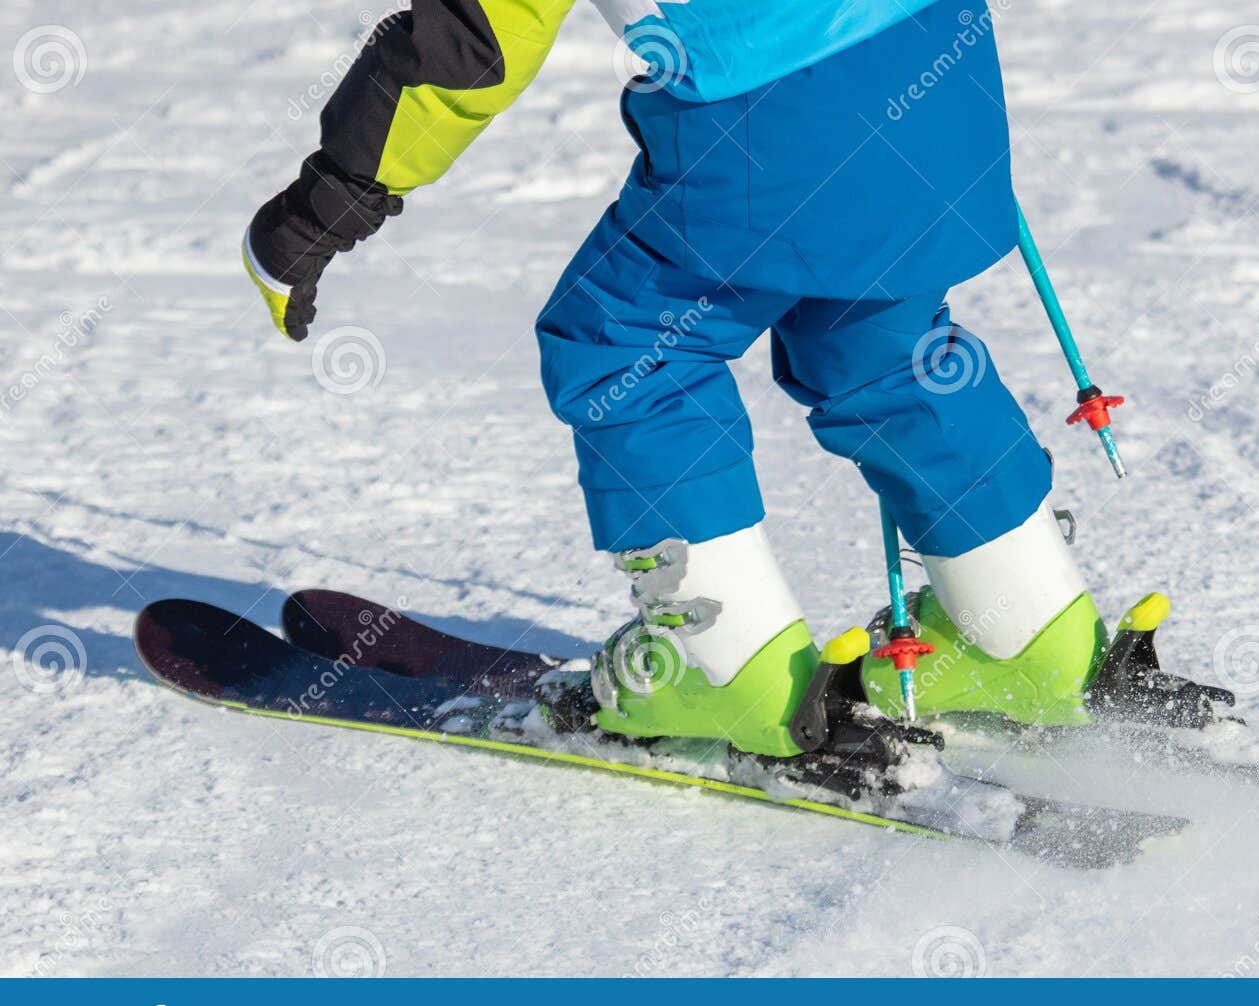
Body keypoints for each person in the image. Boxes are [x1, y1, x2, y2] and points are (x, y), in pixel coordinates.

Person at [243, 0, 1108, 759]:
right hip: (941, 65)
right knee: (882, 344)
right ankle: (1026, 632)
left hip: (773, 107)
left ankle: (724, 668)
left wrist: (324, 205)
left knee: (624, 344)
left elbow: (476, 42)